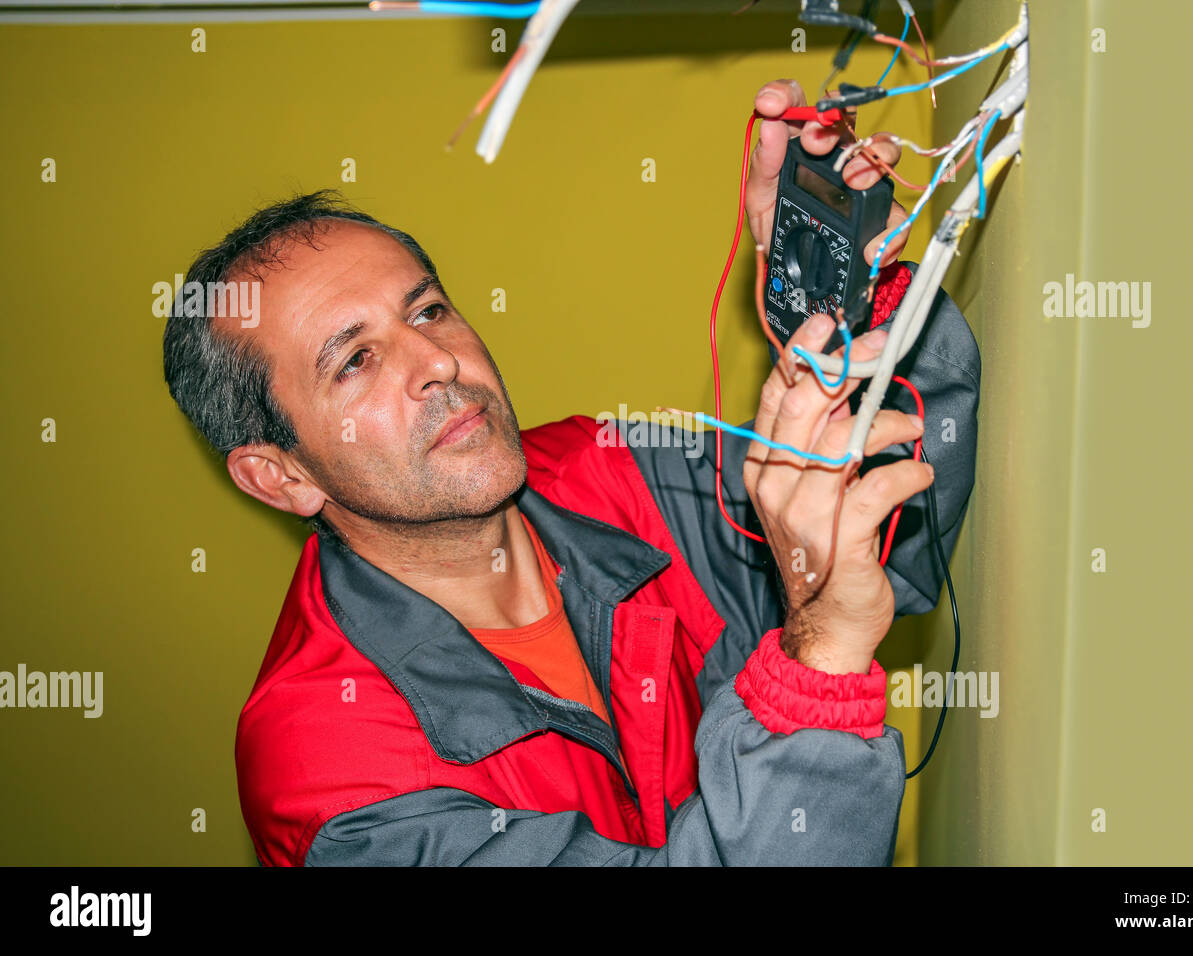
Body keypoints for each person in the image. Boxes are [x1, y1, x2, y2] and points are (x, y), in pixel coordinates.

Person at [161, 79, 981, 866]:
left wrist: (842, 298)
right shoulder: (329, 772)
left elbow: (897, 543)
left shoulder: (604, 467)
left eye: (428, 311)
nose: (438, 363)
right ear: (280, 476)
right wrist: (820, 655)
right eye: (356, 361)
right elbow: (828, 629)